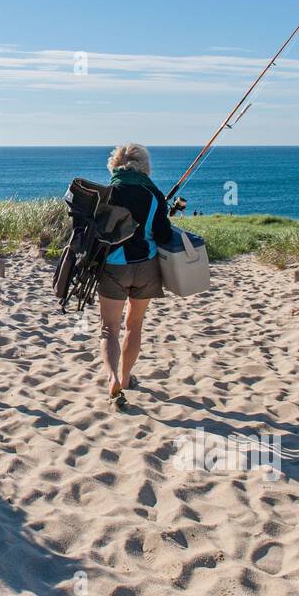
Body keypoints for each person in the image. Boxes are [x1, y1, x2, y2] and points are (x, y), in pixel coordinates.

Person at [97, 143, 173, 407]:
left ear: (115, 165)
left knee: (109, 329)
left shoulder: (107, 193)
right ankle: (127, 377)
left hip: (114, 267)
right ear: (144, 166)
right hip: (146, 267)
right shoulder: (154, 195)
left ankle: (111, 378)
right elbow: (164, 235)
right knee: (134, 325)